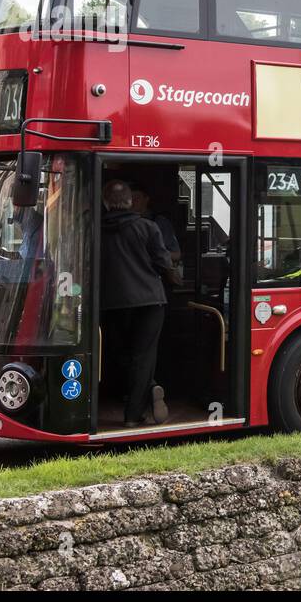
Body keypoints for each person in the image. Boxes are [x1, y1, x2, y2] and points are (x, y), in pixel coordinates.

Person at [100, 180, 179, 427]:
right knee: (144, 357)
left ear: (106, 203)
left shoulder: (95, 229)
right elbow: (164, 264)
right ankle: (133, 415)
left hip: (110, 303)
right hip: (149, 301)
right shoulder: (148, 227)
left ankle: (149, 389)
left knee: (120, 354)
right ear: (129, 202)